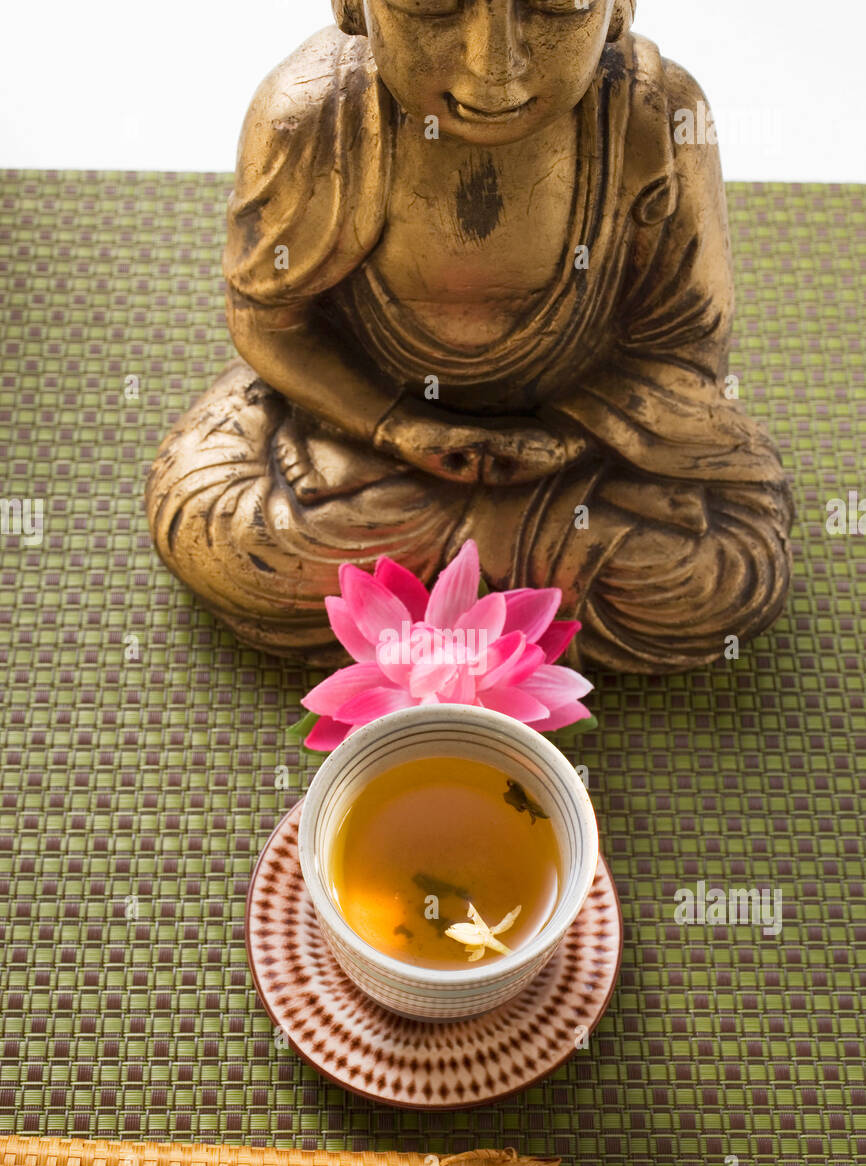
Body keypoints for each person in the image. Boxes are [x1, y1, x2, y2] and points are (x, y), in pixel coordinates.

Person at [146, 0, 793, 672]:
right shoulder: (311, 114)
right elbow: (267, 321)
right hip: (365, 448)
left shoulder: (656, 118)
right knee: (218, 521)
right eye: (432, 4)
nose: (495, 66)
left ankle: (409, 601)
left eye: (556, 4)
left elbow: (683, 351)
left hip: (577, 463)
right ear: (352, 6)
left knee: (721, 572)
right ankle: (515, 598)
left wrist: (564, 440)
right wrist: (396, 428)